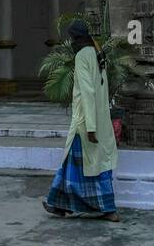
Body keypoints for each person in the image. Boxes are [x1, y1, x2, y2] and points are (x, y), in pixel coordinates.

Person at [43, 18, 119, 221]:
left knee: (82, 165)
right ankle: (58, 205)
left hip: (85, 123)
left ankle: (108, 210)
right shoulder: (97, 52)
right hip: (98, 119)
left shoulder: (82, 56)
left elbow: (87, 91)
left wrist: (91, 128)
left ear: (76, 38)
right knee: (83, 165)